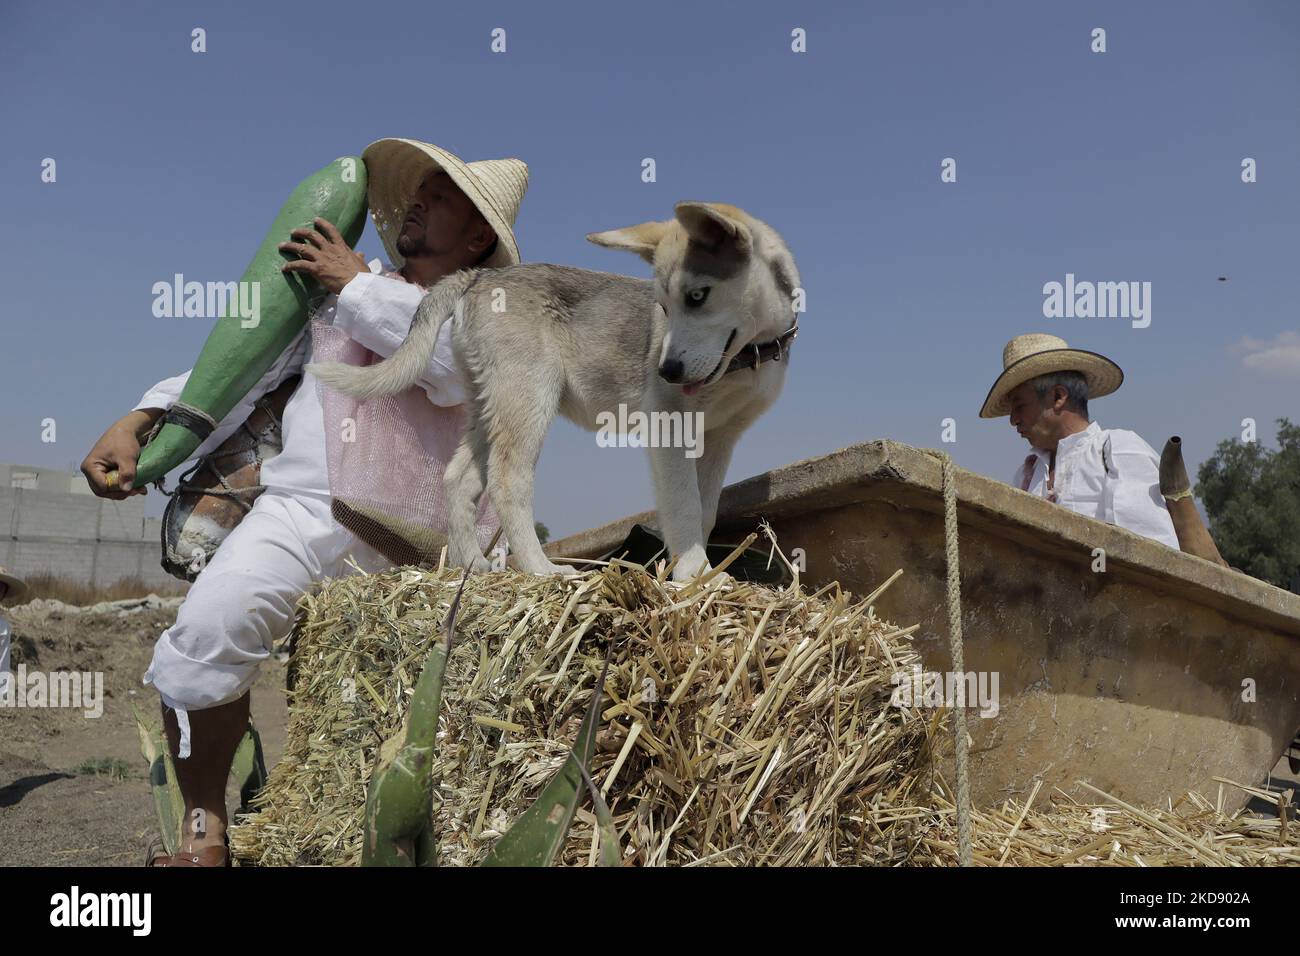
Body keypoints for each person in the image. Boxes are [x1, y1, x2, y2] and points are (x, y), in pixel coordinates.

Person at [80, 139, 529, 866]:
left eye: (439, 195)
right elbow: (239, 367)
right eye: (418, 190)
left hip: (431, 547)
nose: (416, 200)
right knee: (204, 634)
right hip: (305, 508)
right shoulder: (337, 289)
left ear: (478, 234)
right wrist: (139, 420)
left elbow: (447, 366)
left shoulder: (492, 312)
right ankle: (204, 832)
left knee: (418, 720)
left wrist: (353, 287)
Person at [979, 332, 1179, 550]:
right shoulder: (1025, 476)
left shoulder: (1119, 451)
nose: (1013, 420)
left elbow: (1151, 556)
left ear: (1058, 397)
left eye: (1019, 406)